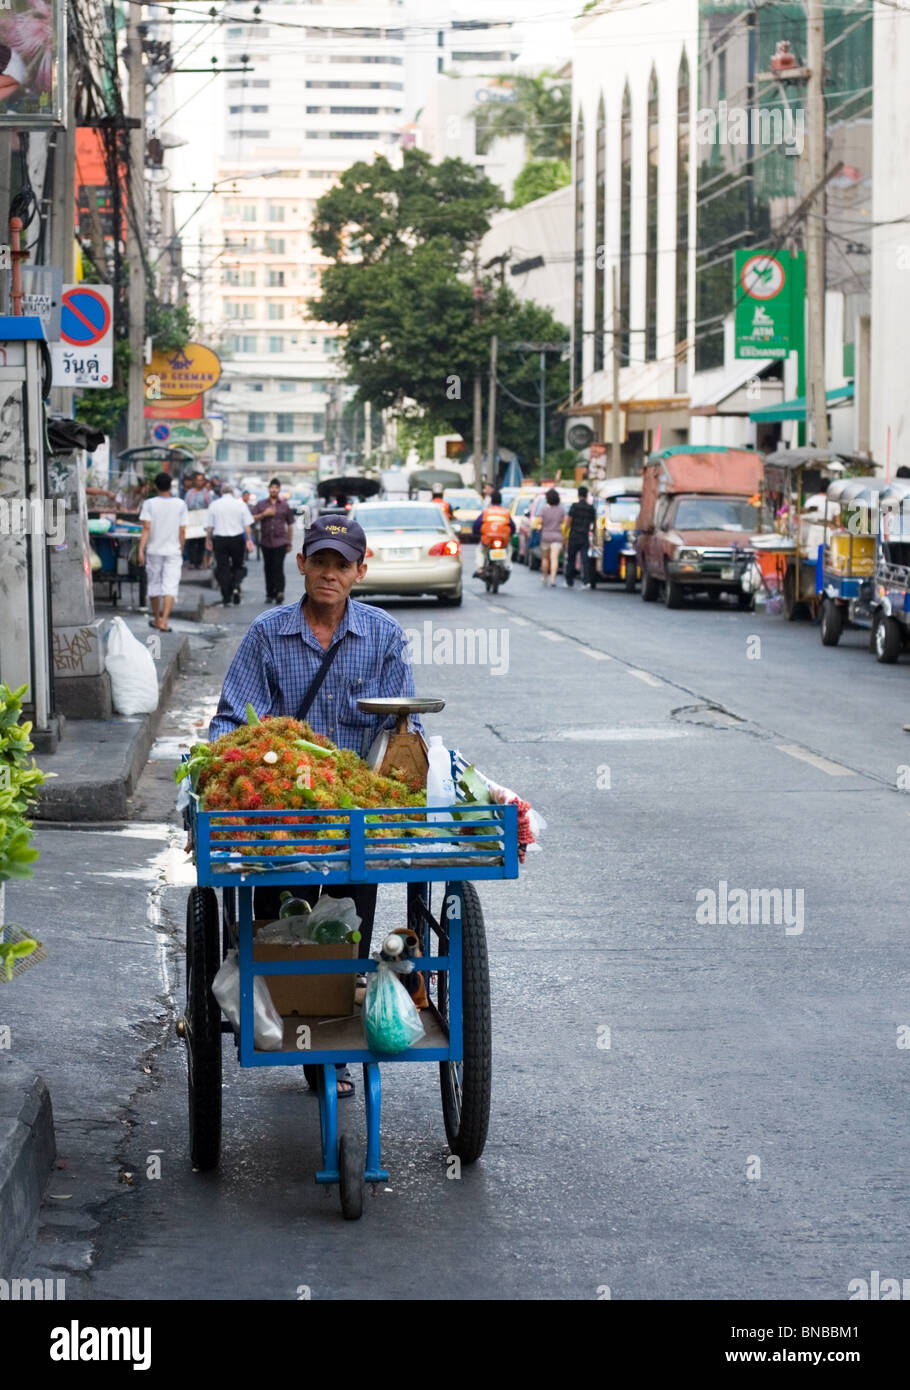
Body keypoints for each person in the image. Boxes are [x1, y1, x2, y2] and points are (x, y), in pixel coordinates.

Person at [209, 515, 422, 1099]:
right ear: (301, 564)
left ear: (360, 571)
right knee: (285, 929)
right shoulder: (267, 633)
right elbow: (232, 719)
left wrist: (406, 774)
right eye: (320, 561)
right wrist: (219, 767)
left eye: (342, 564)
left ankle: (331, 1049)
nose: (330, 573)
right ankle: (296, 1025)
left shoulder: (382, 636)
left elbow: (406, 726)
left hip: (355, 815)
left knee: (346, 933)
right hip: (281, 817)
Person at [138, 472, 188, 632]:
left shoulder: (149, 504)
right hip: (173, 551)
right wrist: (181, 547)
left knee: (154, 584)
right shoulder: (180, 504)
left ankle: (157, 618)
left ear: (155, 486)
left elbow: (146, 528)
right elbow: (182, 531)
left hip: (153, 550)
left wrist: (140, 549)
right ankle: (164, 621)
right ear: (170, 485)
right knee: (170, 586)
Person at [206, 485, 255, 606]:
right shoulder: (240, 504)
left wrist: (208, 539)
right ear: (232, 492)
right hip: (237, 539)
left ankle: (226, 596)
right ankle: (235, 586)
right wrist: (249, 539)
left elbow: (209, 527)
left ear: (221, 492)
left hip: (220, 540)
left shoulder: (214, 505)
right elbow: (247, 526)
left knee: (222, 568)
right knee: (238, 565)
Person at [253, 478, 294, 604]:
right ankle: (270, 593)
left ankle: (279, 592)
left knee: (278, 567)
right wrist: (264, 514)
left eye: (276, 488)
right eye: (272, 487)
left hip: (280, 541)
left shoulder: (284, 506)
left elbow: (290, 524)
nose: (274, 490)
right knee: (268, 568)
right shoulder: (261, 504)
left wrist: (289, 542)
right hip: (265, 541)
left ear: (279, 489)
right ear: (269, 489)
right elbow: (252, 518)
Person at [471, 488, 515, 577]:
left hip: (488, 540)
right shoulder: (505, 512)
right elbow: (512, 527)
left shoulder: (486, 512)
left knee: (480, 551)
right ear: (501, 501)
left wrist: (476, 533)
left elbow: (476, 525)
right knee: (509, 549)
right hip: (503, 540)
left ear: (491, 500)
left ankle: (480, 567)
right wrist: (511, 534)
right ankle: (507, 564)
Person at [565, 485, 598, 589]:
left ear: (578, 495)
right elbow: (594, 524)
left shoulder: (574, 506)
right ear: (587, 495)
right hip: (584, 536)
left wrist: (565, 533)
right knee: (585, 559)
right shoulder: (590, 508)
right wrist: (592, 532)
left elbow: (568, 522)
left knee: (571, 559)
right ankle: (586, 581)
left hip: (574, 535)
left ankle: (569, 581)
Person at [183, 471, 214, 567]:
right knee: (191, 542)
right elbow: (185, 506)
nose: (199, 482)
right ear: (194, 481)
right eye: (197, 480)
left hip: (203, 522)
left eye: (201, 480)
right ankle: (192, 562)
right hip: (192, 522)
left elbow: (211, 508)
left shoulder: (207, 494)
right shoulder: (189, 493)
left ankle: (199, 562)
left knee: (201, 542)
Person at [538, 487, 566, 587]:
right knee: (554, 559)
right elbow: (564, 522)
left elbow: (539, 522)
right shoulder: (561, 510)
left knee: (545, 558)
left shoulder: (543, 509)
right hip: (557, 536)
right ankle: (552, 579)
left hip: (545, 536)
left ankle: (544, 576)